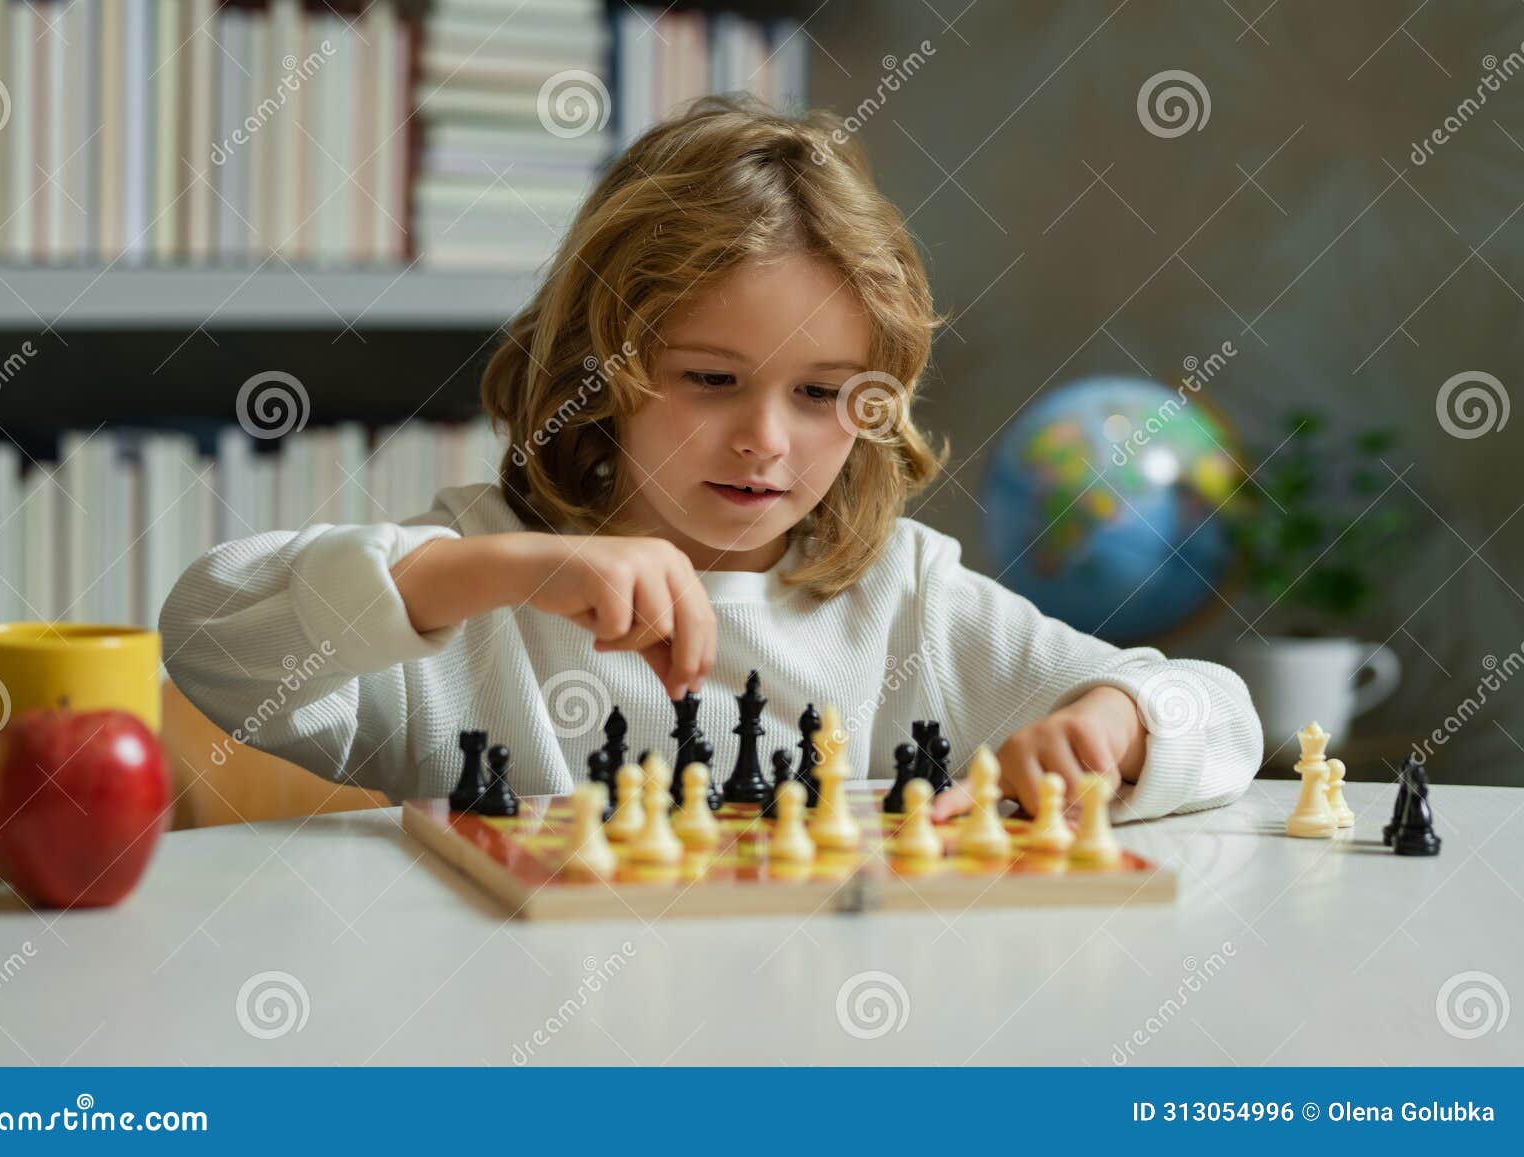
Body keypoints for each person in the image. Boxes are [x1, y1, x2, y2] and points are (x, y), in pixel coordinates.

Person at [160, 96, 1261, 822]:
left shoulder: (906, 603)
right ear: (601, 370)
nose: (765, 440)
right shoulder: (478, 585)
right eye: (710, 378)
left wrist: (1113, 724)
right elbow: (208, 638)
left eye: (820, 393)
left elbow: (1220, 713)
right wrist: (490, 572)